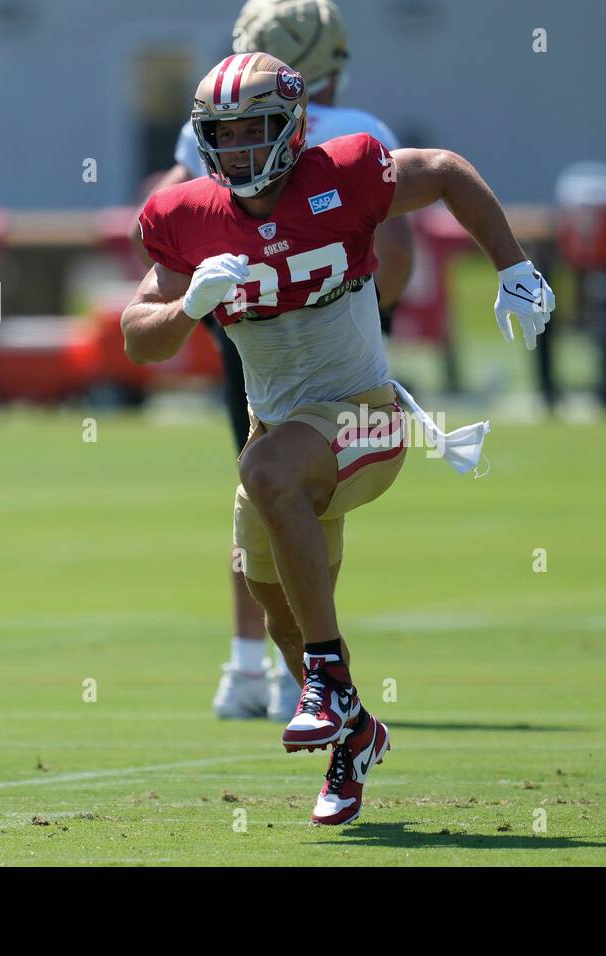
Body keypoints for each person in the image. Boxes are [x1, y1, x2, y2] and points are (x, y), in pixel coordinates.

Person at [123, 52, 553, 823]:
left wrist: (513, 266)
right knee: (274, 603)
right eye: (226, 135)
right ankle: (354, 733)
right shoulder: (183, 215)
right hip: (283, 429)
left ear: (291, 129)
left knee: (267, 470)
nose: (242, 152)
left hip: (365, 413)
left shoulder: (346, 171)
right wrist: (189, 306)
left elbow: (447, 171)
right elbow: (138, 337)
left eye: (257, 132)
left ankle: (325, 679)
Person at [129, 0, 415, 723]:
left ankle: (252, 667)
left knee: (269, 480)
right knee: (267, 491)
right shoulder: (358, 134)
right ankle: (312, 676)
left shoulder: (226, 139)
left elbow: (168, 207)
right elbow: (401, 264)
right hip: (291, 350)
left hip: (261, 343)